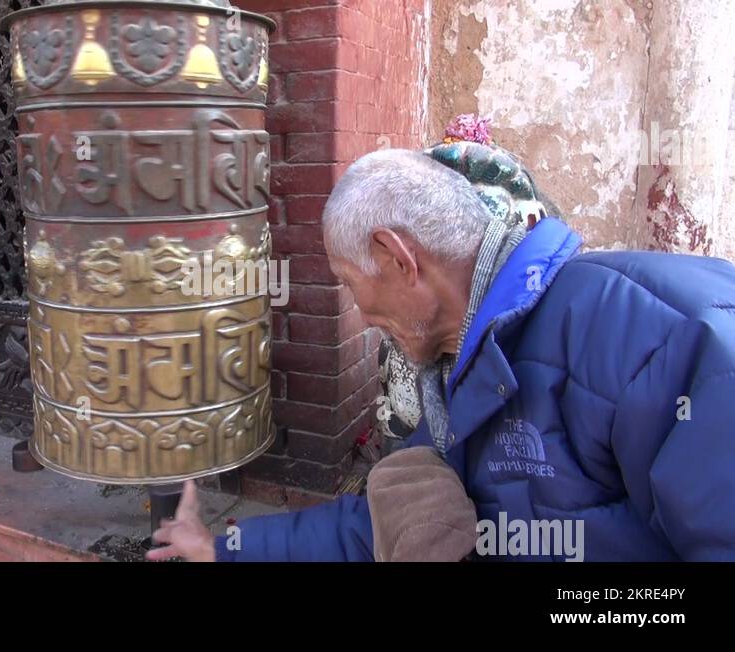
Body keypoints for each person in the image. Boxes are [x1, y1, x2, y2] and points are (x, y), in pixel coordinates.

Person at [147, 148, 735, 562]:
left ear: (398, 258)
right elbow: (377, 529)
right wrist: (225, 549)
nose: (361, 314)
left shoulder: (665, 338)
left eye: (351, 283)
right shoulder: (461, 380)